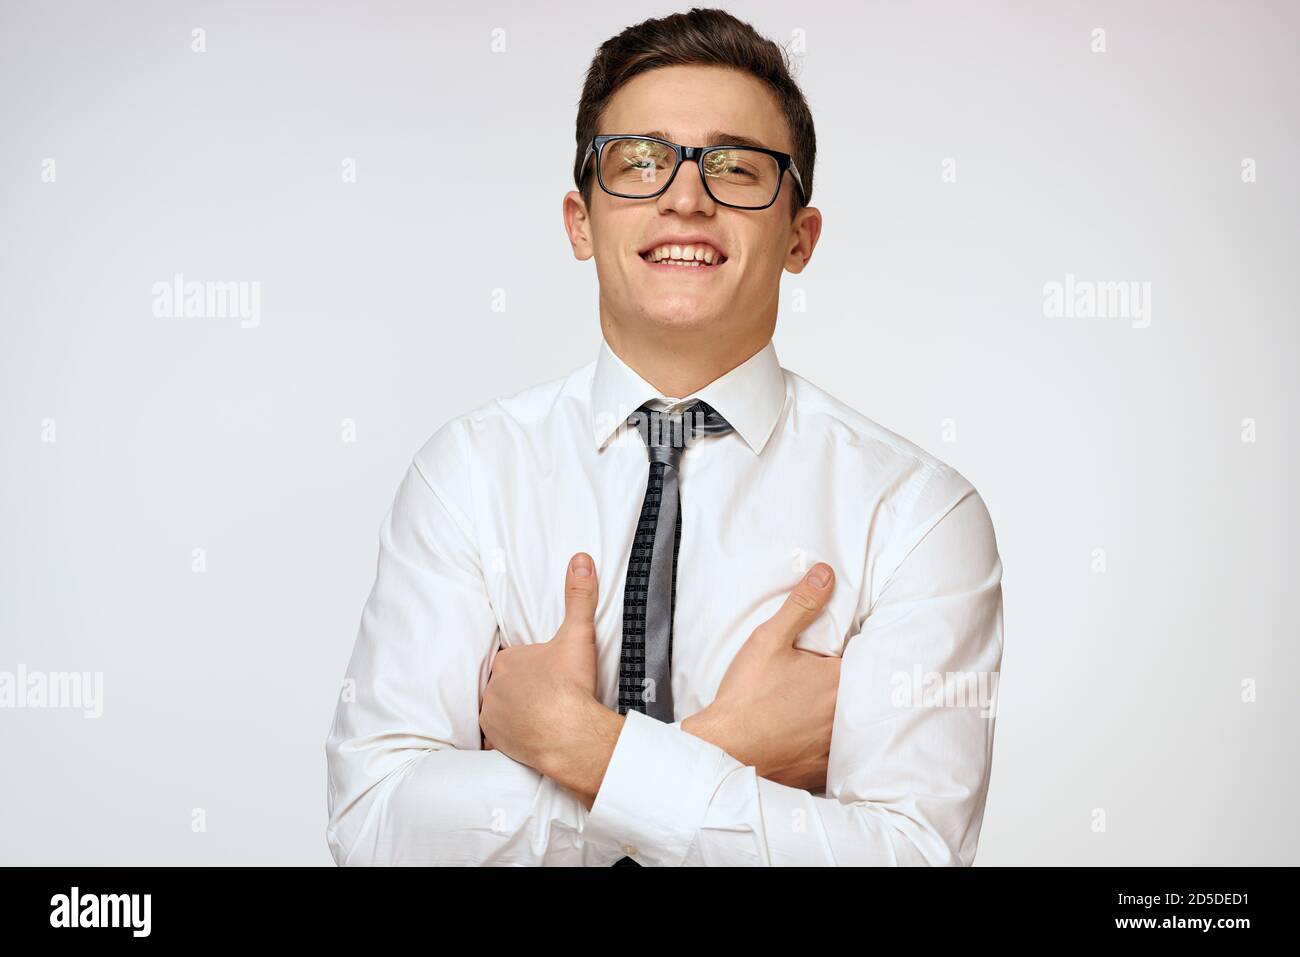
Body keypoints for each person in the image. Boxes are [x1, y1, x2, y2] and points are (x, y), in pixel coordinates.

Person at [324, 7, 1003, 867]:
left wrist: (574, 746)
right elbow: (375, 830)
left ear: (801, 237)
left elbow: (911, 860)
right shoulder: (468, 474)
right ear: (581, 221)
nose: (686, 197)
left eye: (738, 167)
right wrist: (721, 749)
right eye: (639, 162)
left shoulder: (918, 514)